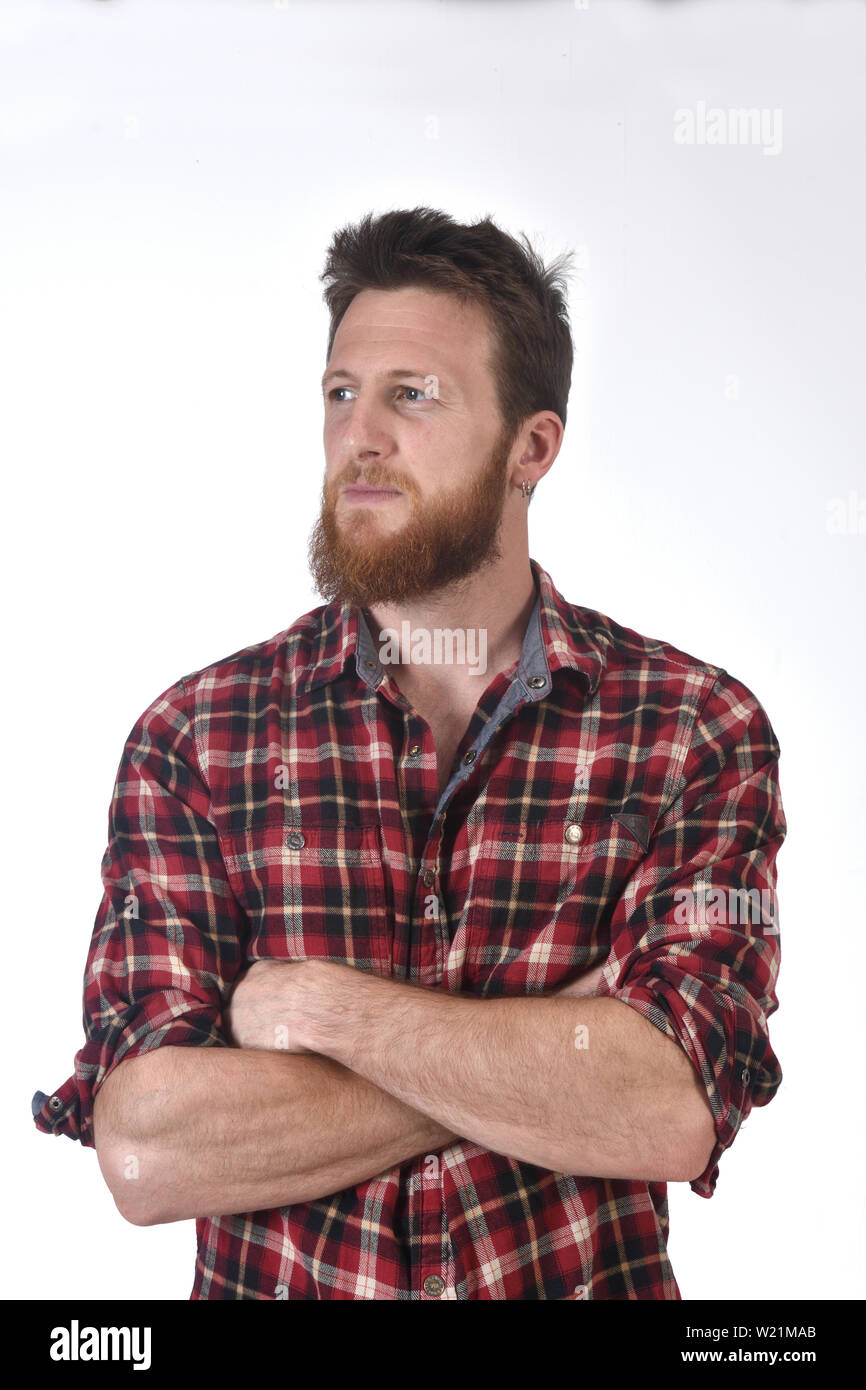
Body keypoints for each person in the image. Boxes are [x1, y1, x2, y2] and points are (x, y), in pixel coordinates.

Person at [32, 207, 785, 1300]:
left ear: (531, 446)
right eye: (341, 393)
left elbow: (668, 1109)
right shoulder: (196, 738)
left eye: (411, 394)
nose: (360, 437)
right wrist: (561, 1045)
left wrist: (316, 1010)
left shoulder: (689, 730)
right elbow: (149, 1151)